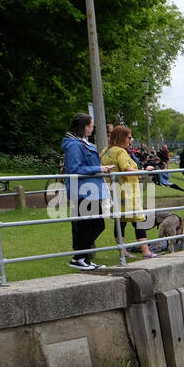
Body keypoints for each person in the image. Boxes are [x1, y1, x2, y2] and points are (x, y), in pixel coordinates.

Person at [61, 113, 115, 270]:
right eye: (91, 126)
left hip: (90, 189)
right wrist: (99, 168)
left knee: (87, 225)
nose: (92, 129)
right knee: (97, 225)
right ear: (85, 127)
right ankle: (78, 258)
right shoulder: (74, 144)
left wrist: (100, 170)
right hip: (84, 191)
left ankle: (83, 260)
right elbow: (74, 169)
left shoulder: (80, 142)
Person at [101, 124, 154, 259]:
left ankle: (122, 251)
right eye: (129, 137)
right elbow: (126, 168)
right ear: (121, 137)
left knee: (120, 221)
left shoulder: (104, 151)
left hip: (114, 192)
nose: (131, 140)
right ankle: (146, 251)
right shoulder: (120, 151)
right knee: (139, 220)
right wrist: (143, 171)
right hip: (128, 191)